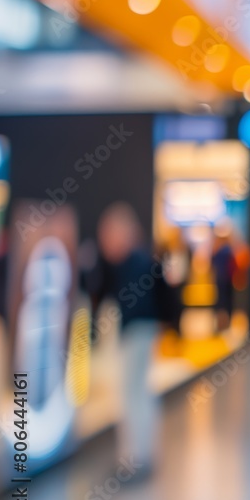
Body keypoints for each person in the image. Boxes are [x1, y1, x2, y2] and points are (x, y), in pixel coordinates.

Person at [93, 203, 172, 477]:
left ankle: (134, 458)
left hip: (136, 333)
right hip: (143, 331)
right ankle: (140, 455)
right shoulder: (142, 261)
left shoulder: (131, 264)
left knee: (132, 394)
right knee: (139, 393)